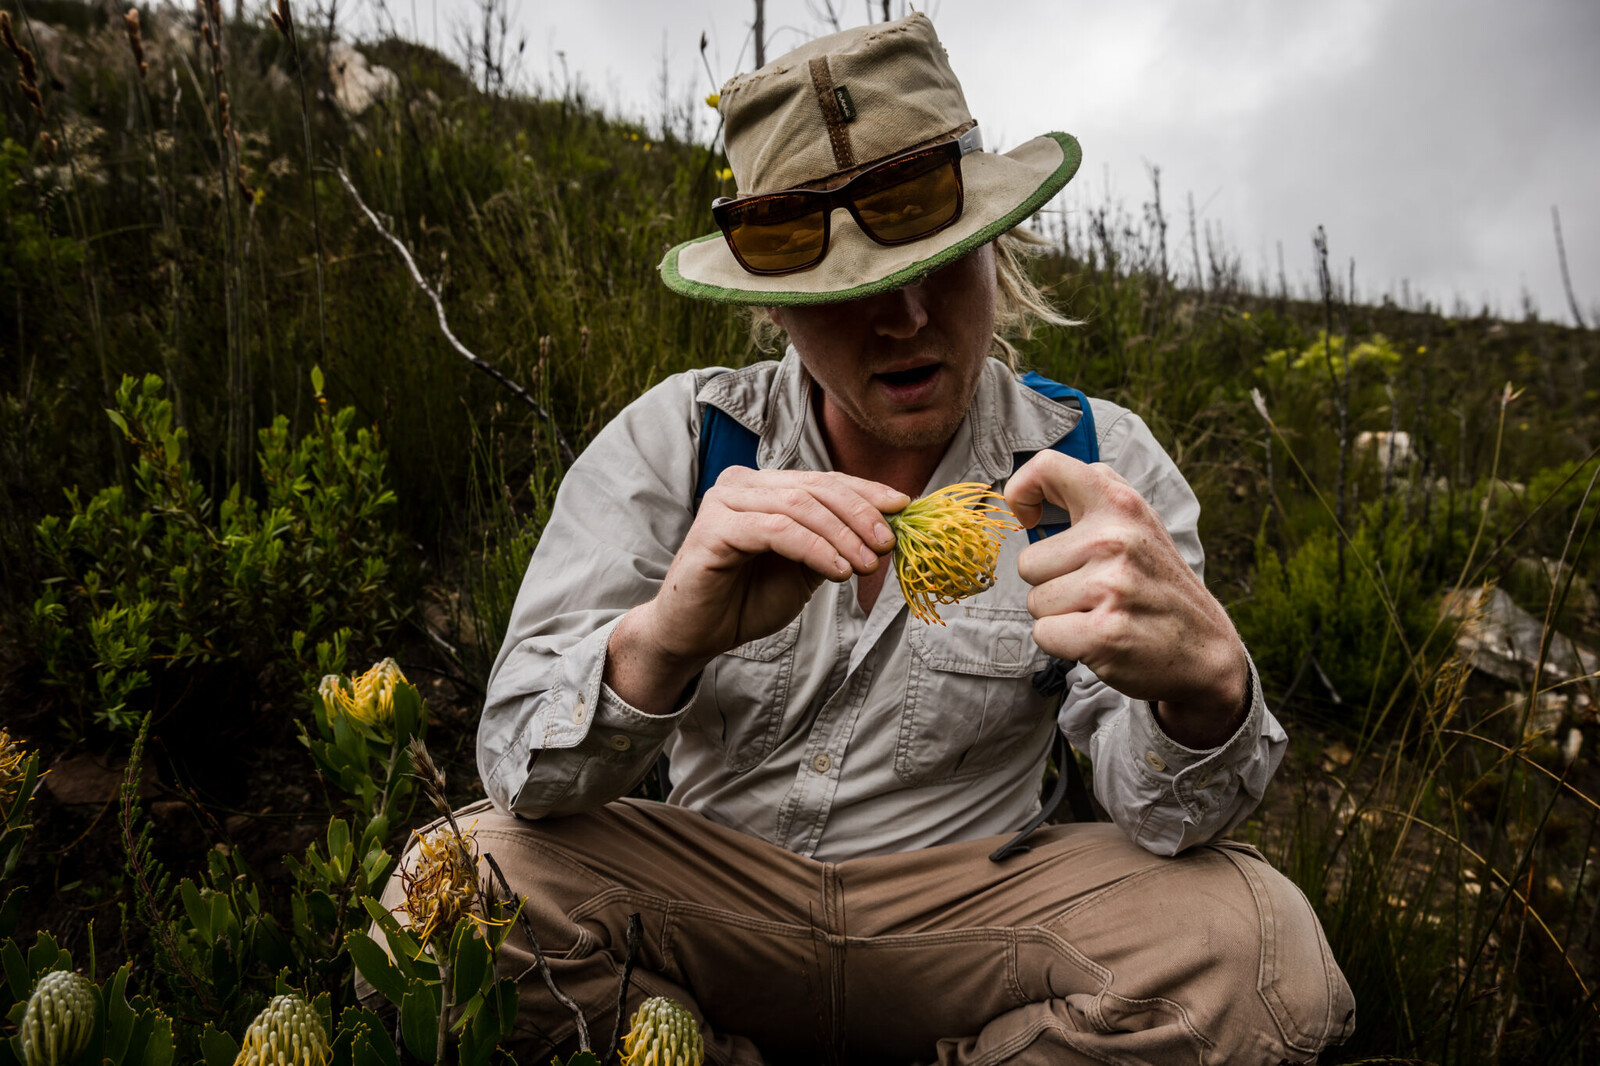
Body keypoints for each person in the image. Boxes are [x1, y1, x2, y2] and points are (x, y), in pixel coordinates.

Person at [413, 14, 1355, 1064]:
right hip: (711, 904)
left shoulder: (1098, 461)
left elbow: (1164, 818)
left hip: (977, 923)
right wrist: (665, 640)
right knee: (448, 891)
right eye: (848, 289)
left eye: (940, 260)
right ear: (775, 305)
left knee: (1264, 956)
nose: (903, 315)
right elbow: (517, 770)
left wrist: (1204, 695)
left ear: (995, 243)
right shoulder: (679, 442)